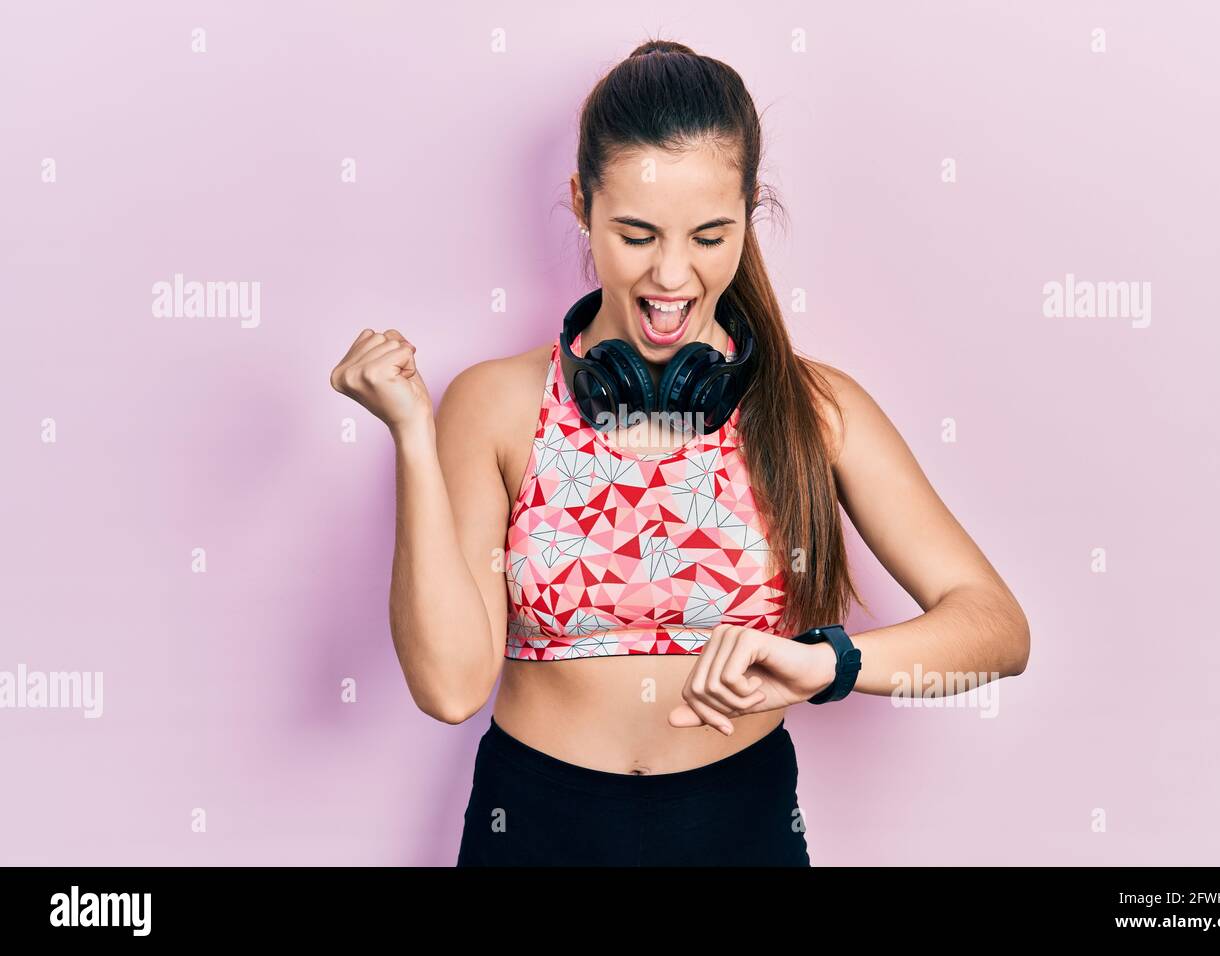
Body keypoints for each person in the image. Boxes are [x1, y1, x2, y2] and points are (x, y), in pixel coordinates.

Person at [328, 39, 1030, 867]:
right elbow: (448, 689)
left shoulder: (815, 409)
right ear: (581, 204)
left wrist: (826, 663)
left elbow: (997, 631)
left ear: (749, 213)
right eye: (635, 233)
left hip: (743, 826)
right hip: (535, 824)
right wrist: (411, 429)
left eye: (709, 235)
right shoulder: (493, 403)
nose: (671, 274)